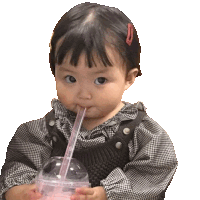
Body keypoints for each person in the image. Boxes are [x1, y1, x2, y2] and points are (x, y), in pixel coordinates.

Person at [0, 2, 178, 200]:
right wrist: (21, 192)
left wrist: (105, 193)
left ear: (129, 78)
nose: (84, 94)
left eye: (100, 80)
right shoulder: (43, 133)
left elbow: (153, 174)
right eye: (71, 78)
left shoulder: (144, 135)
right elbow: (19, 167)